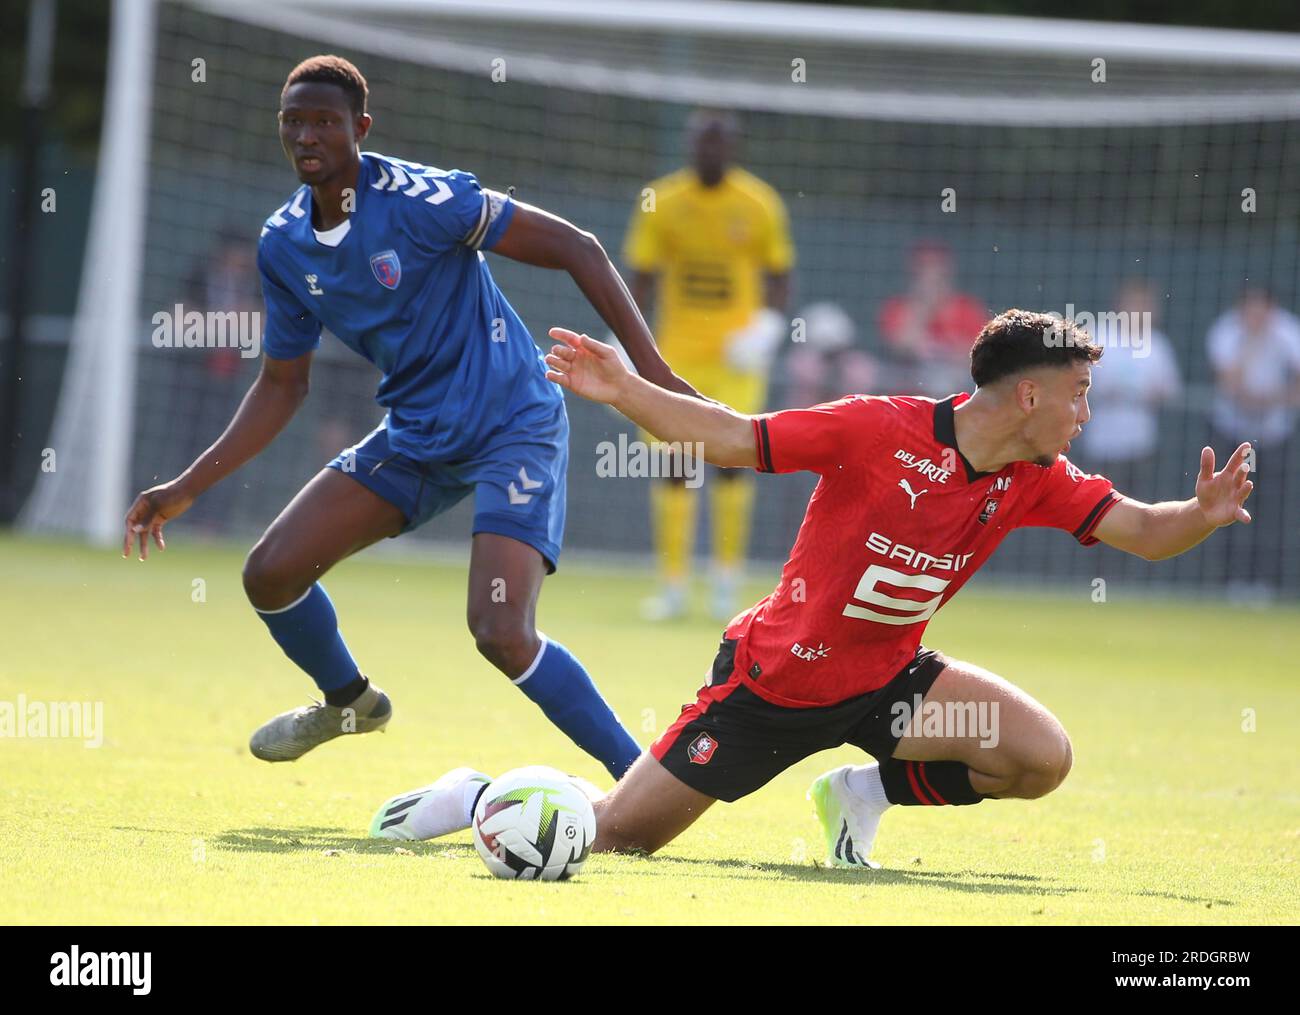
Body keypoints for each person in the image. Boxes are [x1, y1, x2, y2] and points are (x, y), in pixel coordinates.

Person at [372, 310, 1254, 868]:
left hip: (891, 690)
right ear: (1028, 394)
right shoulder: (877, 428)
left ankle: (861, 793)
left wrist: (1200, 513)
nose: (1085, 412)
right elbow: (727, 437)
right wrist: (626, 390)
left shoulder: (1036, 474)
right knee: (611, 838)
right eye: (1078, 393)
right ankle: (471, 795)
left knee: (1038, 758)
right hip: (770, 688)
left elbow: (1142, 528)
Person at [122, 55, 697, 779]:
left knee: (499, 630)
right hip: (418, 434)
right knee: (270, 573)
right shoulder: (283, 243)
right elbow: (280, 385)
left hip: (511, 421)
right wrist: (187, 486)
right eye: (292, 122)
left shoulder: (425, 200)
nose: (307, 136)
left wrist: (657, 373)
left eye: (325, 121)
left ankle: (643, 784)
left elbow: (577, 248)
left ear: (361, 128)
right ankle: (350, 702)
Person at [624, 110, 794, 621]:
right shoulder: (662, 200)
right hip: (676, 352)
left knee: (732, 460)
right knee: (674, 464)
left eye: (719, 144)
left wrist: (767, 325)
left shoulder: (758, 202)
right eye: (702, 143)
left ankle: (726, 582)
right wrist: (629, 332)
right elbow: (641, 273)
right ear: (690, 146)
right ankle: (674, 585)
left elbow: (779, 273)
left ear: (733, 149)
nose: (710, 152)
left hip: (736, 356)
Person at [1205, 286, 1300, 596]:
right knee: (1228, 503)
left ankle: (1262, 584)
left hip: (1272, 438)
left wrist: (1276, 399)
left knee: (1268, 509)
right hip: (1233, 437)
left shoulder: (1287, 330)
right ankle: (1232, 583)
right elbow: (1231, 382)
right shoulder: (1226, 332)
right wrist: (1250, 343)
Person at [1074, 279, 1182, 502]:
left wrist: (1150, 394)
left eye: (1144, 305)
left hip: (1140, 445)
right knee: (1093, 507)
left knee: (1136, 506)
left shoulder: (1158, 343)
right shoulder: (1098, 335)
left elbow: (1170, 390)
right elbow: (1075, 376)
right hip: (1100, 443)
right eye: (1133, 303)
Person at [878, 241, 986, 398]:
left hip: (955, 391)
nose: (930, 276)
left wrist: (946, 311)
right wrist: (923, 305)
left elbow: (974, 354)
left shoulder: (966, 307)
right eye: (924, 270)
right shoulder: (899, 306)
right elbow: (901, 346)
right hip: (909, 387)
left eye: (937, 270)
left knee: (946, 379)